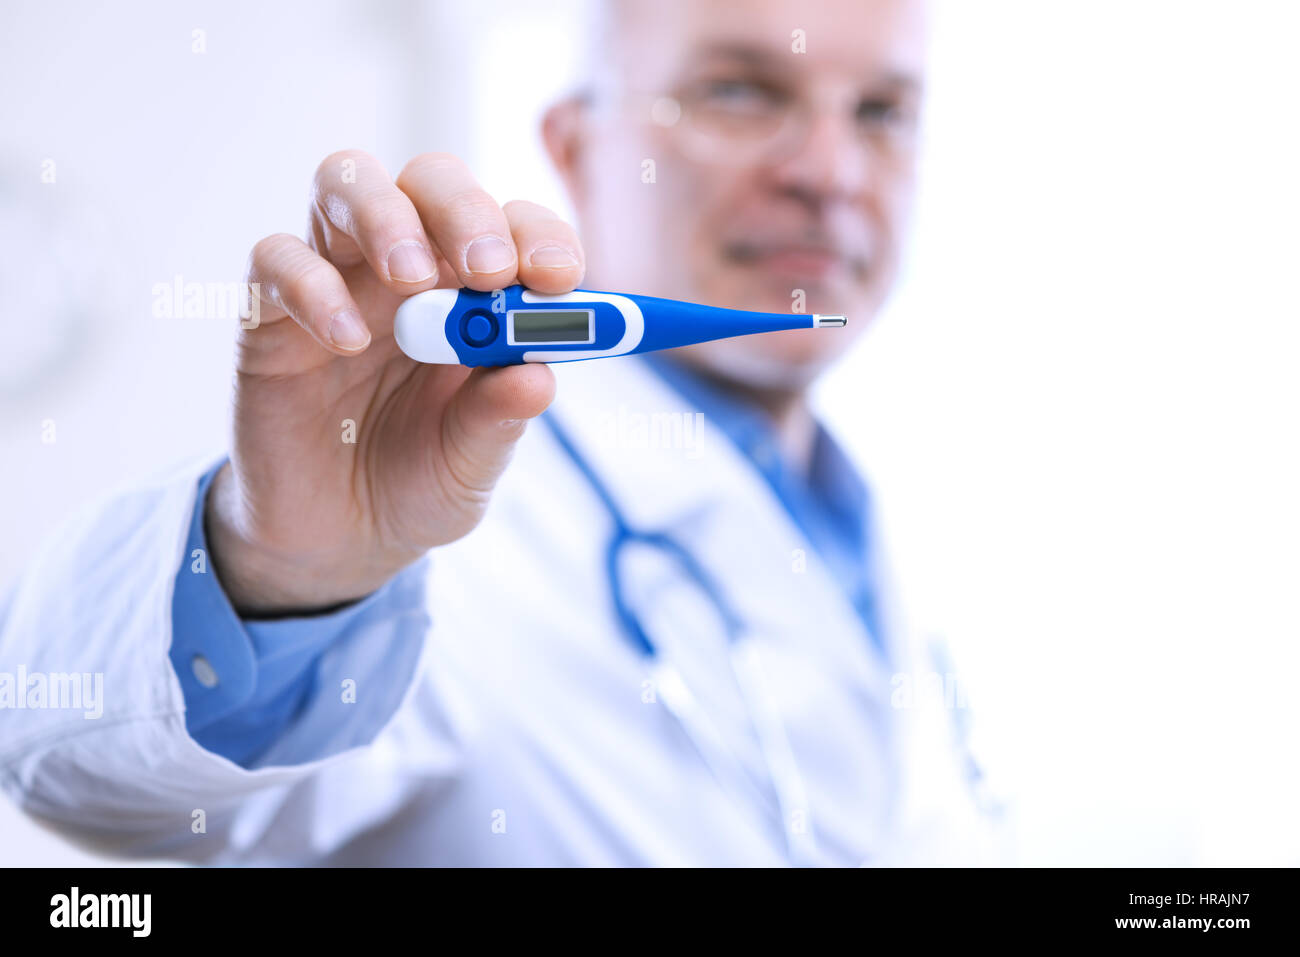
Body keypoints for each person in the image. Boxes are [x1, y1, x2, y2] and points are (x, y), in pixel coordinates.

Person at [0, 0, 996, 865]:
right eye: (739, 91)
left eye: (881, 111)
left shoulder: (874, 531)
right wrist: (283, 575)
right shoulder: (447, 543)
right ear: (574, 145)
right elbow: (74, 762)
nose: (827, 170)